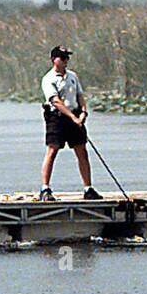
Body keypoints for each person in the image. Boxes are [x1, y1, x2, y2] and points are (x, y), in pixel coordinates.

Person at [39, 46, 101, 201]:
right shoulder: (49, 79)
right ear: (54, 59)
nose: (66, 61)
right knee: (52, 151)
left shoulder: (72, 76)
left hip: (74, 115)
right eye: (62, 57)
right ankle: (45, 189)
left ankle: (88, 188)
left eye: (67, 57)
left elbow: (80, 95)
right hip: (57, 117)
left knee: (82, 151)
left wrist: (83, 112)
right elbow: (55, 101)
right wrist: (73, 118)